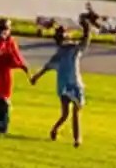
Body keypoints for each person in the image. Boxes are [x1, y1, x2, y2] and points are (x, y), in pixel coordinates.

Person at [31, 14, 94, 147]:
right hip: (71, 84)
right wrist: (87, 29)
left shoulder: (66, 52)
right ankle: (76, 138)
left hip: (66, 85)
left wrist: (36, 77)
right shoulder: (72, 50)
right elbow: (85, 41)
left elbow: (46, 68)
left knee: (67, 113)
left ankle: (58, 130)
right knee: (74, 110)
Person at [0, 18, 29, 134]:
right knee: (2, 102)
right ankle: (0, 126)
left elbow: (15, 56)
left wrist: (23, 66)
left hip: (5, 76)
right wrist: (1, 41)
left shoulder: (10, 42)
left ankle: (1, 126)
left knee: (4, 100)